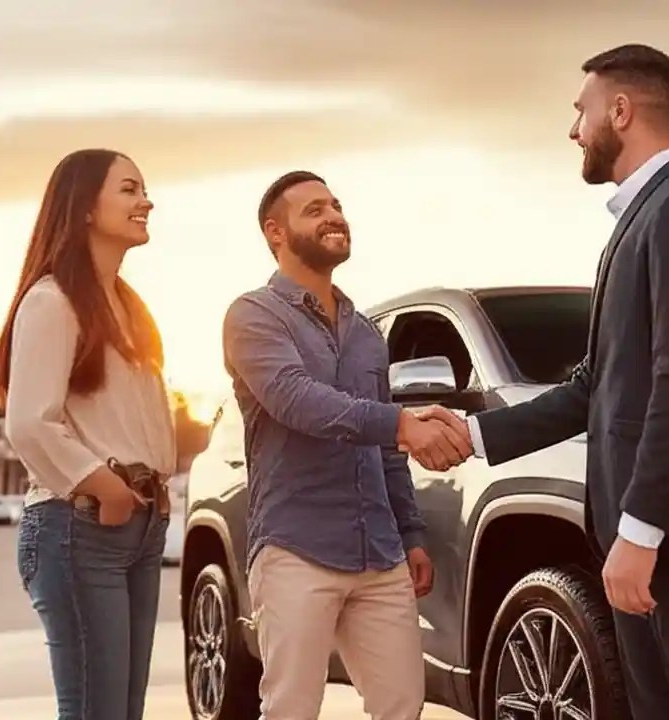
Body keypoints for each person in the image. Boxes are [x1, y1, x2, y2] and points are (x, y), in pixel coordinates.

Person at [461, 45, 669, 718]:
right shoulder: (641, 222)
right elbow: (592, 387)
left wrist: (642, 531)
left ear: (622, 111)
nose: (573, 130)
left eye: (582, 111)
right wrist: (469, 434)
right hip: (654, 542)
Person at [222, 170, 471, 720]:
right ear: (275, 232)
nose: (333, 215)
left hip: (379, 554)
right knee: (291, 709)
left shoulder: (365, 333)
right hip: (295, 549)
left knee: (402, 707)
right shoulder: (253, 315)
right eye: (313, 209)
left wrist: (410, 533)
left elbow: (385, 451)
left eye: (335, 204)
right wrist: (401, 422)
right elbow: (296, 400)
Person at [0, 148, 176, 720]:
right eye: (128, 188)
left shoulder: (128, 306)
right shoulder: (51, 301)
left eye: (143, 188)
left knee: (122, 709)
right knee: (97, 712)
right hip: (80, 526)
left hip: (139, 525)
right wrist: (106, 487)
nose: (145, 200)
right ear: (85, 208)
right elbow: (28, 422)